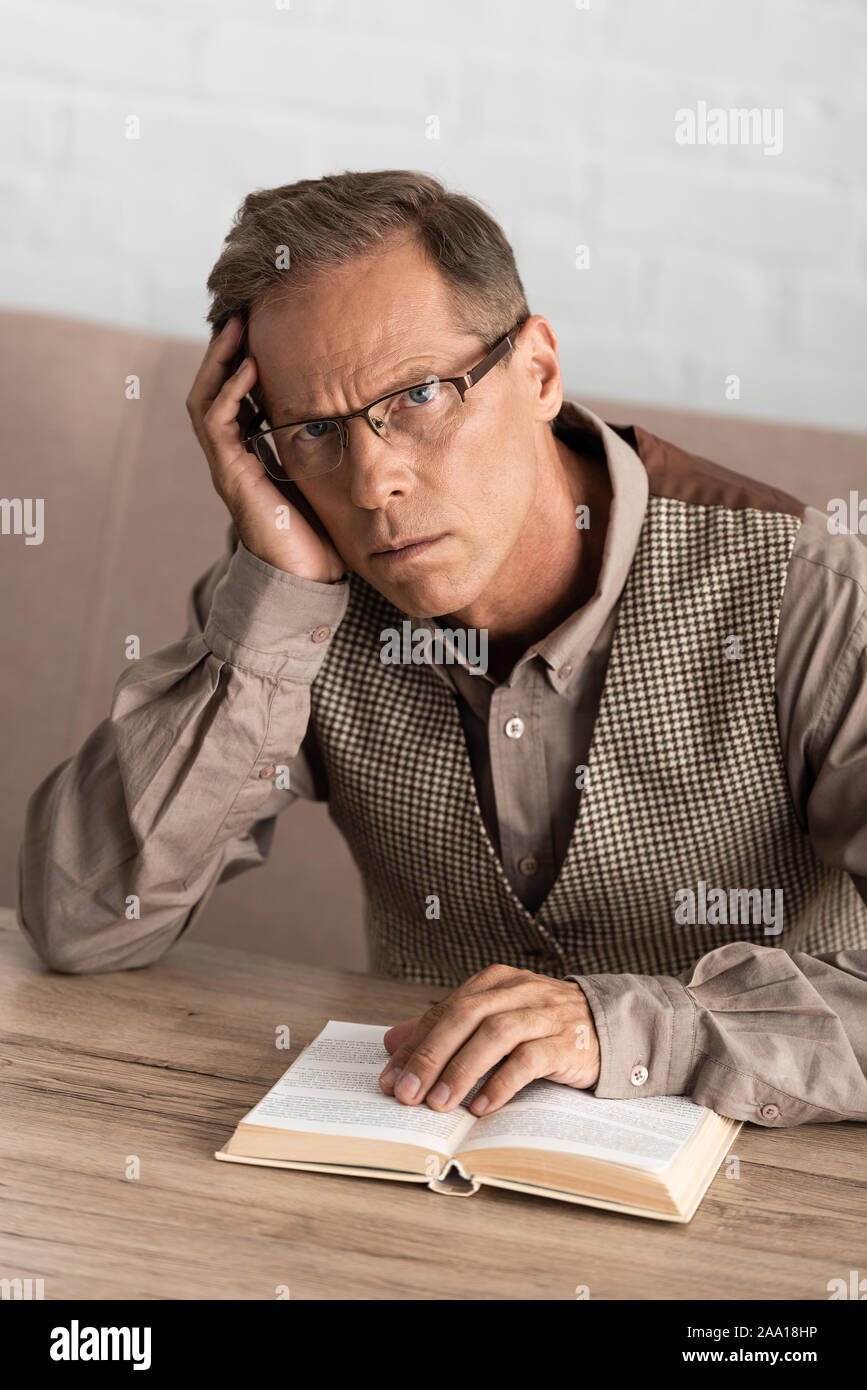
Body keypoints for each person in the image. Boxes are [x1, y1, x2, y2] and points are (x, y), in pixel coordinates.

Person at [18, 170, 867, 1128]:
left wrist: (631, 1029)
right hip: (418, 1174)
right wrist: (274, 609)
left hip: (759, 1194)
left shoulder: (806, 594)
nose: (373, 479)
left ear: (539, 370)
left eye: (418, 393)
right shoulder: (297, 592)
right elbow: (84, 921)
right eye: (314, 431)